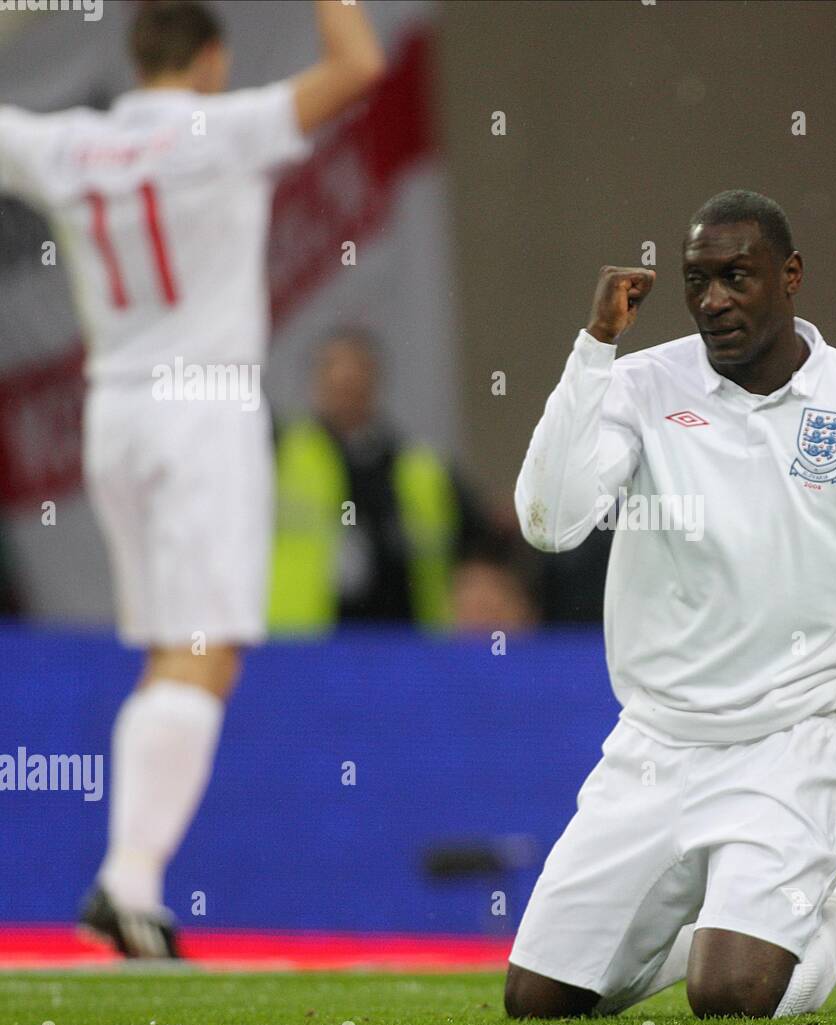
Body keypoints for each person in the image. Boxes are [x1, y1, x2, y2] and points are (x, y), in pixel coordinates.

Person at [507, 190, 836, 1020]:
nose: (713, 301)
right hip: (654, 745)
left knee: (734, 996)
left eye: (737, 276)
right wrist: (594, 348)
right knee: (538, 1005)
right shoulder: (639, 385)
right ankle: (724, 930)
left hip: (790, 746)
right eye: (696, 281)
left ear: (792, 275)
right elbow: (551, 522)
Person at [0, 0, 384, 957]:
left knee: (172, 650)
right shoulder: (228, 126)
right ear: (210, 59)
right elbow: (360, 65)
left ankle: (131, 881)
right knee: (203, 651)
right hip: (203, 413)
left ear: (135, 60)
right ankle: (128, 883)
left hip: (115, 415)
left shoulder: (69, 146)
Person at [267, 328, 490, 632]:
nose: (346, 388)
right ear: (316, 383)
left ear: (375, 381)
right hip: (302, 647)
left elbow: (477, 547)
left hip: (406, 646)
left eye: (357, 376)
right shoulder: (280, 453)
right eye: (335, 375)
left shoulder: (420, 468)